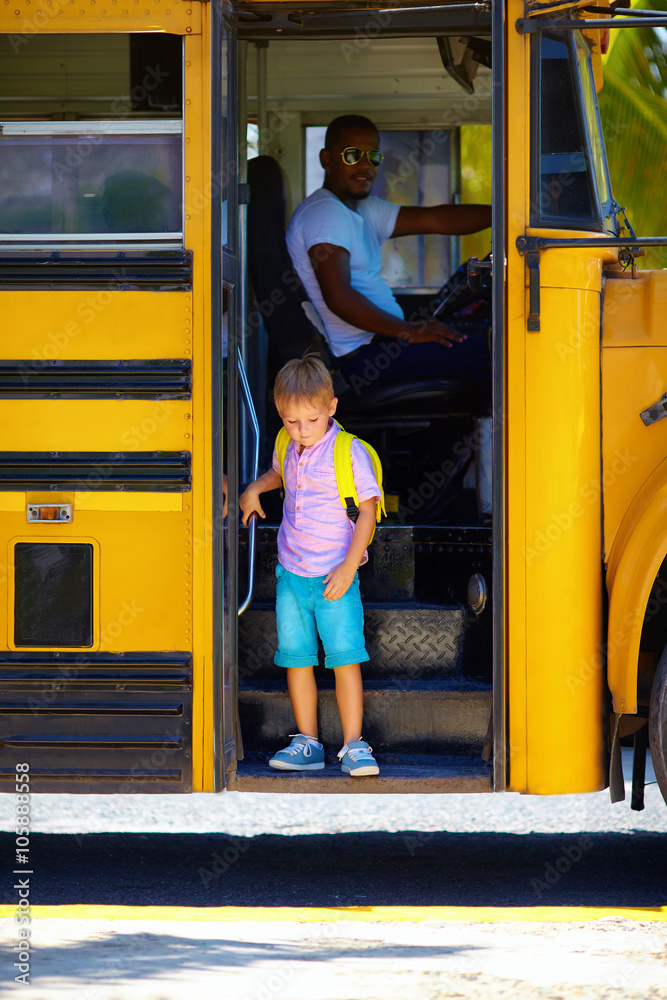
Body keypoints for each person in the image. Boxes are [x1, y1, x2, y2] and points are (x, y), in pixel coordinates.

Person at [239, 355, 382, 777]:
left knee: (344, 658)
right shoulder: (288, 444)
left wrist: (348, 568)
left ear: (332, 407)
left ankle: (354, 744)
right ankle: (308, 742)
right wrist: (255, 488)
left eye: (311, 420)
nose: (301, 430)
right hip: (292, 574)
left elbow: (369, 514)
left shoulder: (348, 452)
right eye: (290, 421)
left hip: (335, 574)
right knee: (296, 659)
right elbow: (279, 473)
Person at [286, 114, 492, 389]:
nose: (364, 165)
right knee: (496, 354)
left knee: (481, 342)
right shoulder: (326, 213)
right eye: (352, 155)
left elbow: (437, 219)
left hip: (382, 341)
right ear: (326, 159)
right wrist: (409, 331)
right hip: (362, 358)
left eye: (373, 157)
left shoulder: (361, 208)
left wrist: (504, 215)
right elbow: (339, 298)